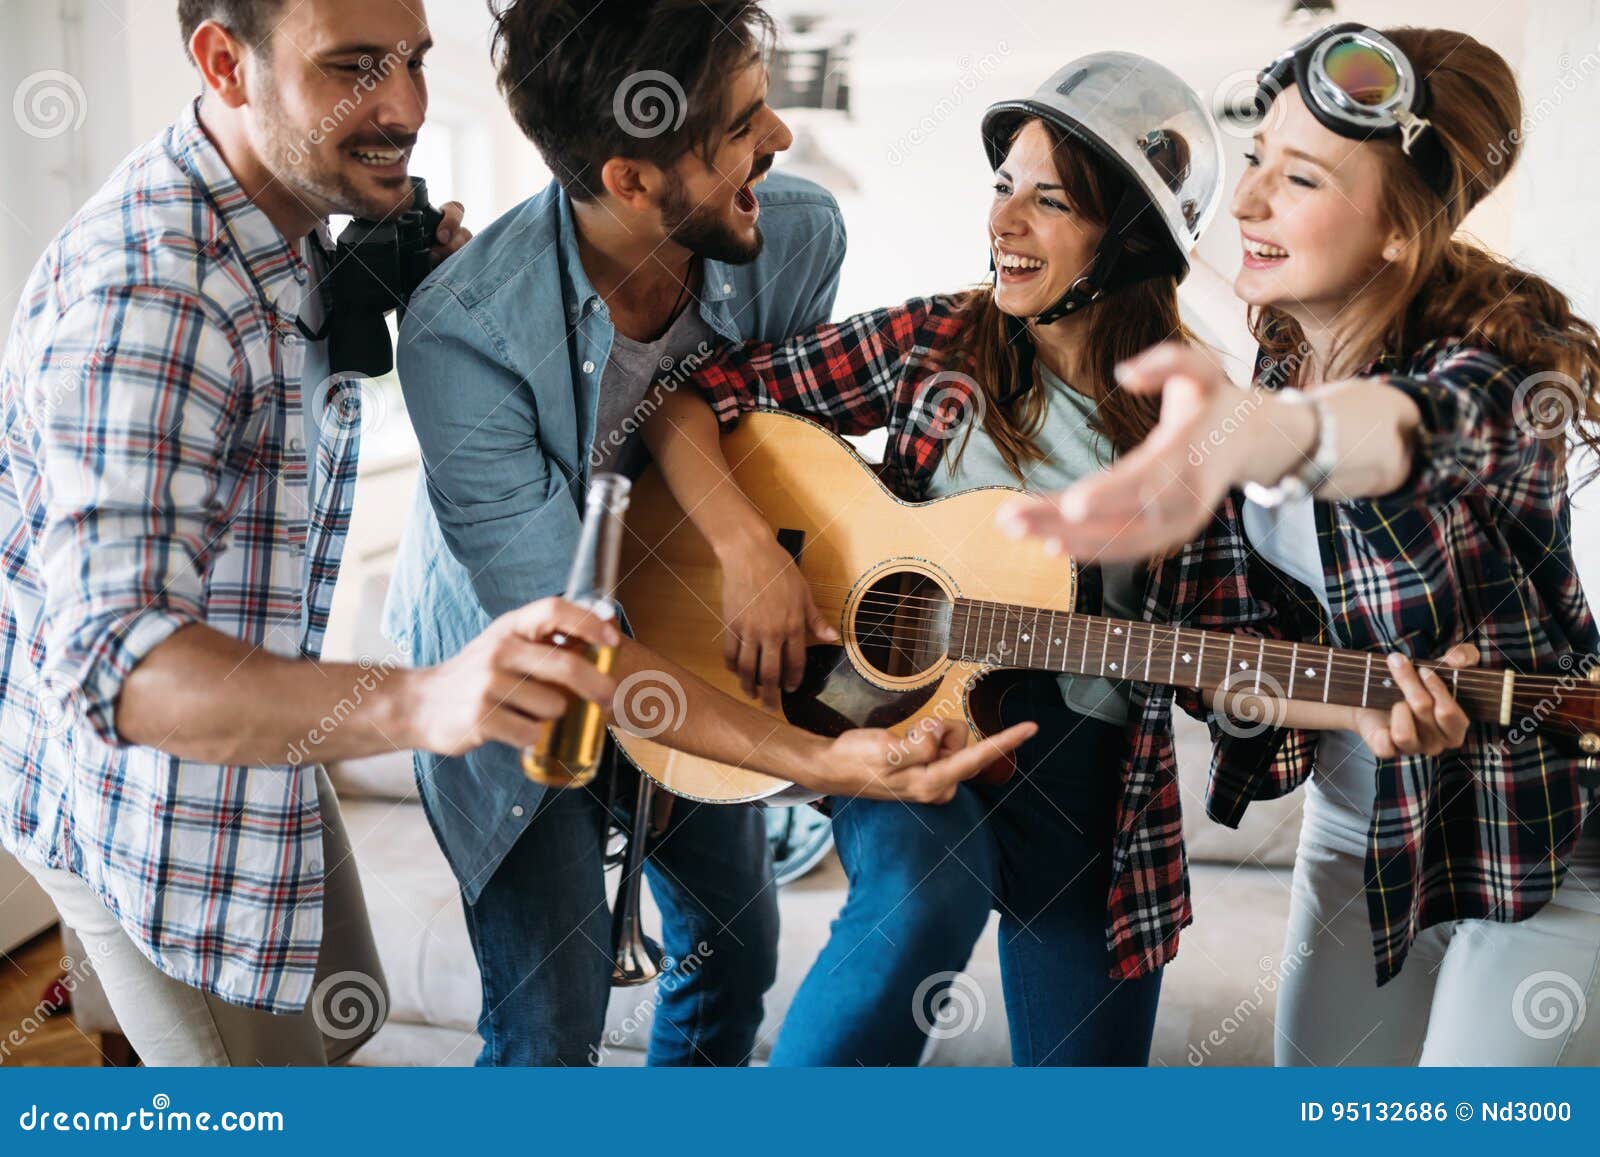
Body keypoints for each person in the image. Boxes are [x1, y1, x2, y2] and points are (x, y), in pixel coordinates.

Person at [642, 50, 1473, 1066]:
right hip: (900, 741)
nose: (1003, 223)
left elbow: (1232, 657)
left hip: (1091, 805)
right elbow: (688, 398)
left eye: (1047, 202)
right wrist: (745, 552)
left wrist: (1365, 697)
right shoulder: (936, 340)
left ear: (1123, 240)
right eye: (1000, 190)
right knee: (919, 902)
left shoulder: (1195, 420)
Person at [380, 0, 1030, 1069]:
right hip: (520, 678)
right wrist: (830, 759)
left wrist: (742, 547)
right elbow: (570, 642)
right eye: (741, 125)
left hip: (699, 638)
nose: (776, 140)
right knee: (549, 1024)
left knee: (731, 960)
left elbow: (769, 440)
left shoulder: (794, 233)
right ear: (631, 180)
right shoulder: (465, 333)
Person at [1001, 24, 1600, 1066]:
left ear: (1397, 235)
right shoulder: (1269, 365)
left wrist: (1282, 434)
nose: (1245, 203)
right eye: (1260, 160)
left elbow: (1409, 428)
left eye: (1303, 178)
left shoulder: (1508, 371)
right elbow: (1253, 659)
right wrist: (1365, 699)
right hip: (1353, 827)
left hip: (1534, 846)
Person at [0, 0, 502, 1066]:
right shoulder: (157, 286)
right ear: (226, 62)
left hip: (256, 733)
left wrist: (386, 289)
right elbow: (118, 668)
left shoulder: (279, 214)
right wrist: (424, 698)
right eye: (353, 68)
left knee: (347, 1013)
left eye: (412, 61)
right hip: (136, 787)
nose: (404, 106)